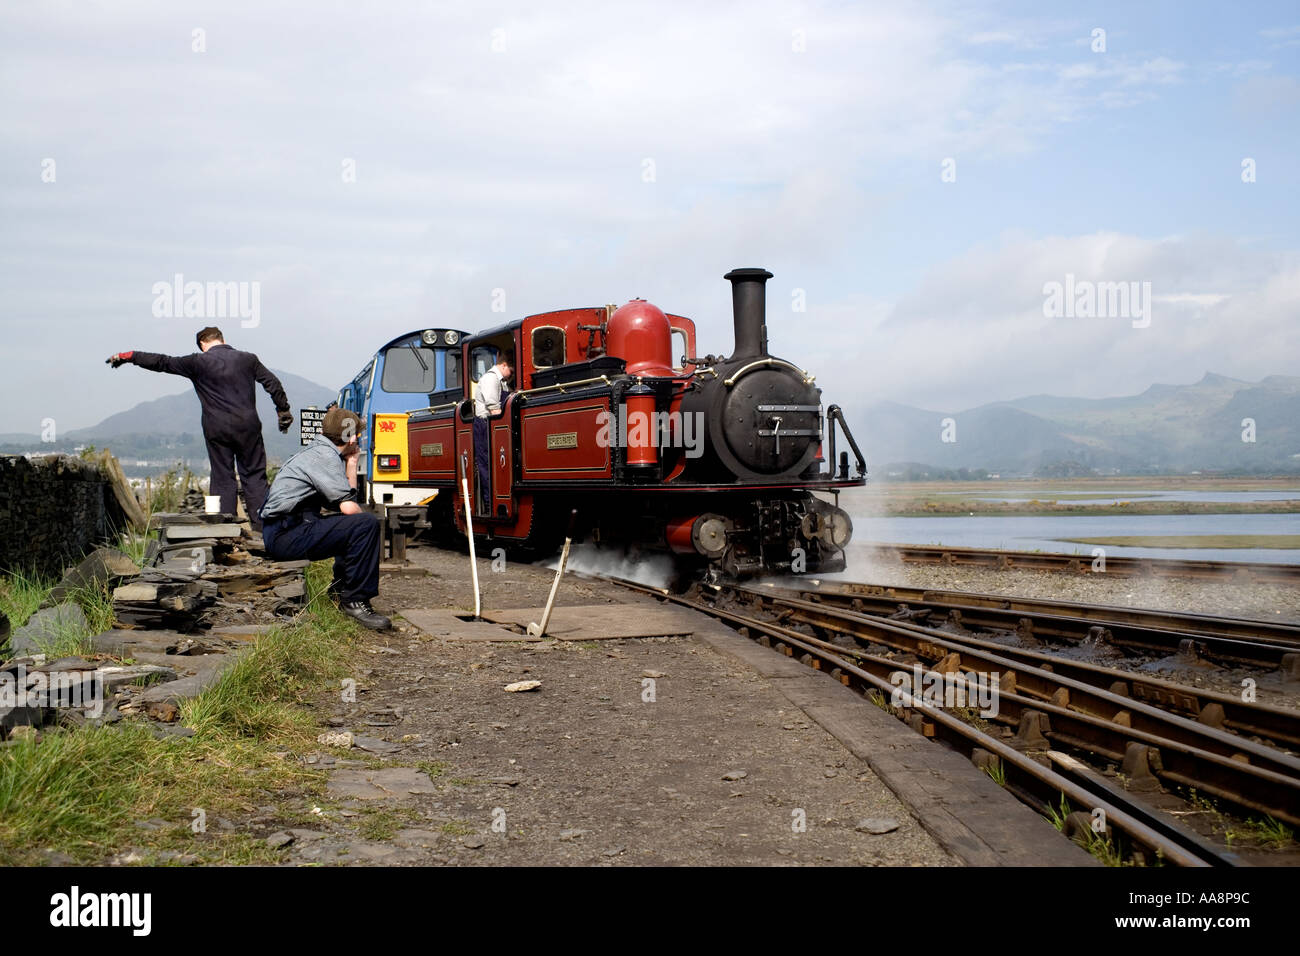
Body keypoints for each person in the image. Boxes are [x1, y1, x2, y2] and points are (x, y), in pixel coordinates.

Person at [107, 327, 292, 534]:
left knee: (223, 477)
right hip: (248, 426)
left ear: (203, 344)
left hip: (216, 428)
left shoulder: (197, 362)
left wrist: (128, 356)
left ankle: (225, 532)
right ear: (222, 339)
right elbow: (272, 383)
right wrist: (283, 410)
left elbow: (161, 362)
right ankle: (265, 532)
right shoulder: (248, 359)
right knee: (255, 477)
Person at [259, 407, 391, 630]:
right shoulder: (325, 457)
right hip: (286, 534)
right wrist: (360, 525)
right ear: (352, 436)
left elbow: (345, 502)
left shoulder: (318, 452)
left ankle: (341, 592)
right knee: (365, 524)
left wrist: (351, 463)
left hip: (286, 530)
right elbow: (351, 510)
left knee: (352, 525)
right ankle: (355, 601)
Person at [473, 349, 514, 513]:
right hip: (485, 425)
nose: (510, 375)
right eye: (510, 371)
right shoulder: (491, 379)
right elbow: (494, 408)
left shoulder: (502, 381)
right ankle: (490, 503)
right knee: (487, 465)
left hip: (495, 426)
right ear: (504, 365)